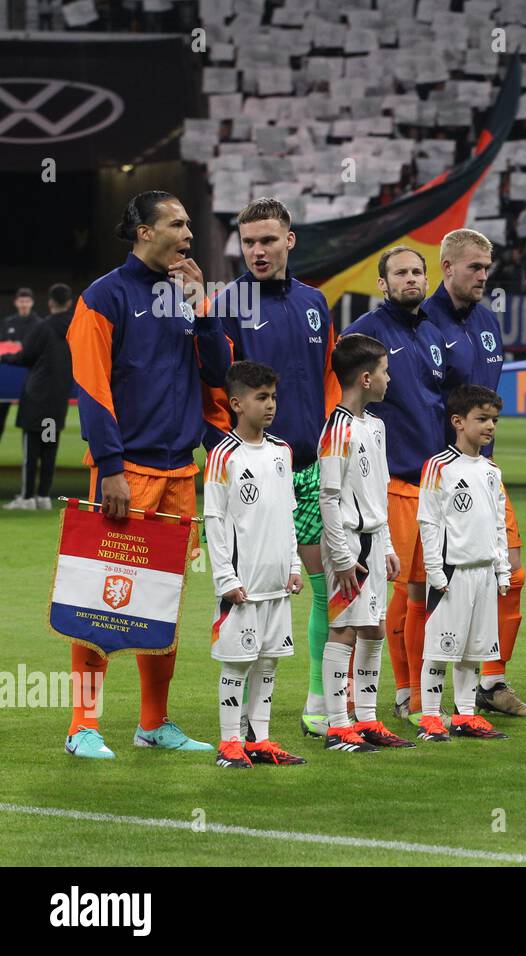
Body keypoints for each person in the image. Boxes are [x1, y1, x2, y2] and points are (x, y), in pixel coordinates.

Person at [63, 190, 225, 760]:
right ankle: (82, 725)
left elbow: (219, 372)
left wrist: (202, 306)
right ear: (143, 232)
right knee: (101, 601)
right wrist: (109, 466)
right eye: (177, 225)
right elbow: (91, 387)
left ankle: (153, 723)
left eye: (188, 224)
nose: (188, 235)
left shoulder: (186, 296)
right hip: (127, 471)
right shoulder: (104, 296)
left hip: (180, 472)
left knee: (162, 602)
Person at [204, 197, 341, 738]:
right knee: (249, 594)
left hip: (310, 468)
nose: (257, 251)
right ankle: (240, 724)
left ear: (290, 240)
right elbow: (215, 384)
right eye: (248, 242)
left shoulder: (314, 302)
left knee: (327, 588)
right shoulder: (227, 304)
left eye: (267, 240)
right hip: (255, 477)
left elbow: (326, 377)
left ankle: (317, 703)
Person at [421, 228, 526, 718]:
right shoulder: (424, 320)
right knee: (427, 583)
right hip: (441, 475)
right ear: (447, 267)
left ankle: (491, 682)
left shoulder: (488, 320)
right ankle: (415, 694)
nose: (483, 276)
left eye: (487, 268)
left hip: (486, 472)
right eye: (474, 267)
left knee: (510, 573)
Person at [342, 247, 445, 730]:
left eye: (418, 271)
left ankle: (413, 694)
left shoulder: (434, 331)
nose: (411, 279)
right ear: (382, 283)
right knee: (380, 596)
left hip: (432, 484)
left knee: (423, 592)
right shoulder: (365, 333)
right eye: (400, 273)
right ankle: (347, 699)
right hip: (389, 485)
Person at [205, 361, 307, 768]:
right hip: (242, 585)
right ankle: (229, 742)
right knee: (237, 663)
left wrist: (294, 564)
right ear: (236, 403)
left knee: (268, 664)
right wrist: (224, 578)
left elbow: (288, 513)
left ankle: (259, 739)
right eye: (261, 397)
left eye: (273, 397)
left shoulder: (282, 451)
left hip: (276, 582)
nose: (270, 405)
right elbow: (215, 520)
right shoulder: (223, 455)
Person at [317, 333, 412, 752]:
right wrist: (341, 557)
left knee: (373, 628)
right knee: (343, 629)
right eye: (386, 371)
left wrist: (387, 545)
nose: (390, 379)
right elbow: (328, 497)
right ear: (366, 378)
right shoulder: (336, 430)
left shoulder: (376, 426)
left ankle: (368, 719)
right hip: (348, 545)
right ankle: (338, 725)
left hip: (373, 540)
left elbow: (379, 490)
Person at [416, 384, 513, 740]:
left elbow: (499, 524)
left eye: (494, 420)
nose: (490, 426)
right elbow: (428, 521)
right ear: (458, 421)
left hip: (484, 571)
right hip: (452, 572)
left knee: (474, 650)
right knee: (439, 649)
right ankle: (429, 717)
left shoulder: (491, 470)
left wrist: (502, 569)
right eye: (482, 418)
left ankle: (465, 715)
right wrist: (434, 570)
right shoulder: (438, 466)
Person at [1, 283, 73, 510]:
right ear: (69, 303)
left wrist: (4, 358)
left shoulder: (43, 327)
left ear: (50, 303)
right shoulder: (77, 326)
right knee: (49, 446)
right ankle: (43, 496)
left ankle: (27, 498)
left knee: (31, 451)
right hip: (58, 397)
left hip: (37, 397)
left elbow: (25, 356)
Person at [0, 287, 39, 446]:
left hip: (30, 377)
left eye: (27, 301)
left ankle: (28, 455)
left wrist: (19, 346)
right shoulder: (8, 322)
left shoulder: (39, 324)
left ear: (32, 303)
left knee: (29, 420)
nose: (24, 304)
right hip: (8, 378)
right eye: (21, 301)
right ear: (16, 302)